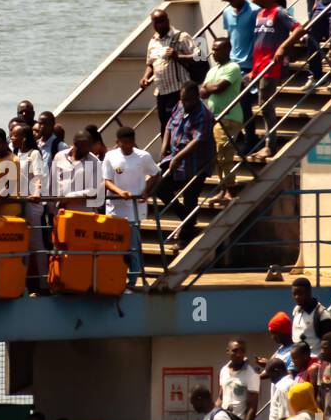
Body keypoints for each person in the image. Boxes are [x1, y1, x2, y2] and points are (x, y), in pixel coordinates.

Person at [245, 0, 305, 158]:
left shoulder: (278, 12)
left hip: (271, 68)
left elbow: (299, 29)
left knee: (265, 105)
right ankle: (249, 137)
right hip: (257, 67)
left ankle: (270, 145)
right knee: (242, 93)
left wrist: (283, 47)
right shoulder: (259, 14)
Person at [156, 81, 215, 246]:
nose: (185, 103)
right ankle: (187, 220)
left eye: (188, 100)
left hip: (197, 163)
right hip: (175, 159)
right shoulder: (180, 105)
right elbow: (169, 126)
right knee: (160, 187)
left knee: (190, 196)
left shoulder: (203, 114)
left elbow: (197, 140)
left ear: (196, 98)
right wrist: (164, 147)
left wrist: (178, 158)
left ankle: (186, 236)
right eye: (183, 100)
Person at [101, 125, 160, 286]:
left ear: (134, 142)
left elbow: (156, 173)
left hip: (134, 209)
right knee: (114, 246)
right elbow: (107, 181)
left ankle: (132, 280)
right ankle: (114, 278)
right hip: (114, 208)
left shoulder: (143, 156)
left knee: (133, 246)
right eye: (123, 142)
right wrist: (119, 192)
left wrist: (146, 191)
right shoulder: (110, 156)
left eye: (130, 142)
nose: (127, 145)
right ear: (117, 142)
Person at [200, 37, 243, 207]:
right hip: (214, 117)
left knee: (224, 154)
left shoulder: (233, 68)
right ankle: (223, 189)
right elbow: (203, 92)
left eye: (217, 49)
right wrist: (208, 88)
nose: (214, 52)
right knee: (217, 155)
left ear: (227, 50)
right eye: (213, 49)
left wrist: (209, 88)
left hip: (229, 117)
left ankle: (231, 190)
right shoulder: (212, 71)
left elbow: (218, 88)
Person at [138, 8, 198, 129]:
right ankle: (167, 148)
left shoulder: (181, 37)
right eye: (156, 22)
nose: (159, 25)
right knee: (165, 127)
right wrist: (145, 77)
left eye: (162, 21)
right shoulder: (153, 41)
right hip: (161, 92)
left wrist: (178, 56)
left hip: (178, 91)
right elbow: (150, 63)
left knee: (179, 125)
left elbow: (199, 57)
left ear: (168, 21)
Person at [49, 129, 104, 213]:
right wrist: (53, 208)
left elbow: (94, 191)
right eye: (84, 145)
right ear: (75, 143)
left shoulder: (95, 162)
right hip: (60, 211)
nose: (87, 149)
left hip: (84, 213)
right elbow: (52, 184)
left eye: (89, 146)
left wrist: (69, 197)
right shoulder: (59, 157)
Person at [290, 276, 331, 354]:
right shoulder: (296, 310)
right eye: (294, 294)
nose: (297, 297)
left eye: (300, 293)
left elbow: (330, 344)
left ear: (309, 292)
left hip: (314, 361)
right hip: (296, 360)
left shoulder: (322, 315)